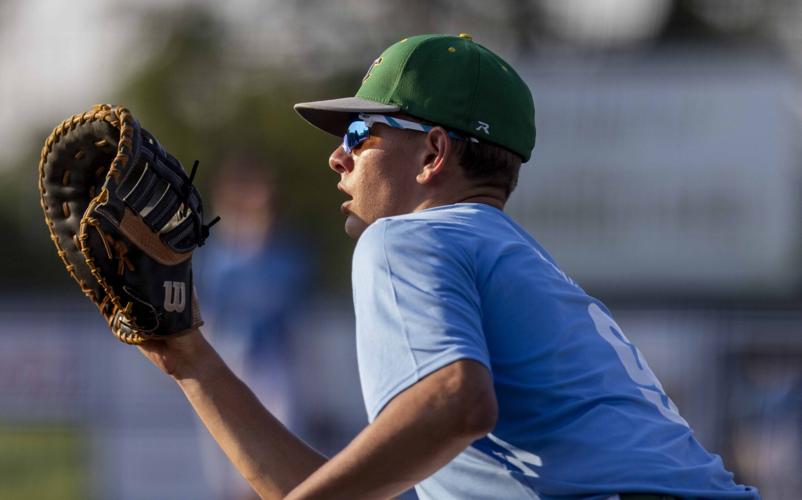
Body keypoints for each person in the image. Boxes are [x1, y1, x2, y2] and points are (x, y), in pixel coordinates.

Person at [138, 34, 760, 500]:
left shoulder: (406, 239)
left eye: (360, 131)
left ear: (433, 152)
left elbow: (458, 404)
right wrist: (190, 360)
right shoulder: (507, 256)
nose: (337, 156)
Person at [196, 153, 312, 499]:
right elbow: (209, 314)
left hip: (274, 362)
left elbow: (295, 317)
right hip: (232, 361)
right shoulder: (218, 256)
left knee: (281, 454)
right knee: (231, 462)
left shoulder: (288, 256)